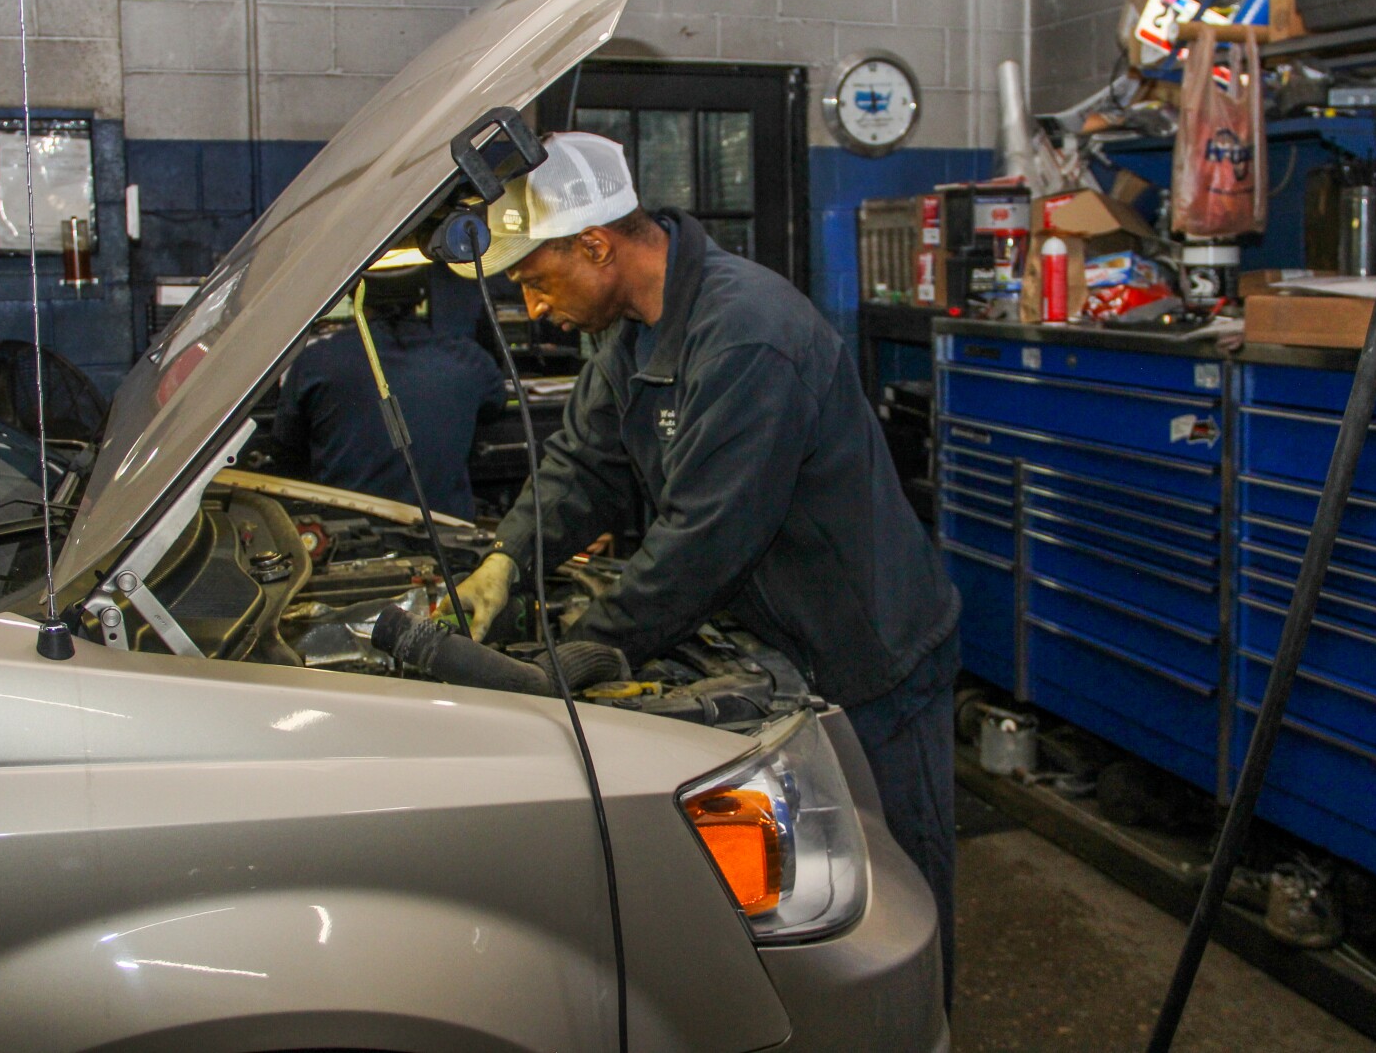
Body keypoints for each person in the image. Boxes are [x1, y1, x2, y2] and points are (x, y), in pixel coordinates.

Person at [447, 132, 962, 1006]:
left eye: (536, 279)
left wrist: (588, 647)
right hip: (781, 641)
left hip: (871, 655)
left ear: (596, 244)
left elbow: (706, 538)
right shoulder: (632, 331)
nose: (532, 308)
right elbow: (586, 466)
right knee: (808, 901)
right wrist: (507, 561)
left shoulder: (747, 335)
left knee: (897, 906)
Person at [271, 270, 507, 522]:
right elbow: (495, 407)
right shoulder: (470, 360)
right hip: (447, 535)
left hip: (346, 536)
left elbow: (286, 445)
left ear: (353, 294)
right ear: (423, 296)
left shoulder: (315, 361)